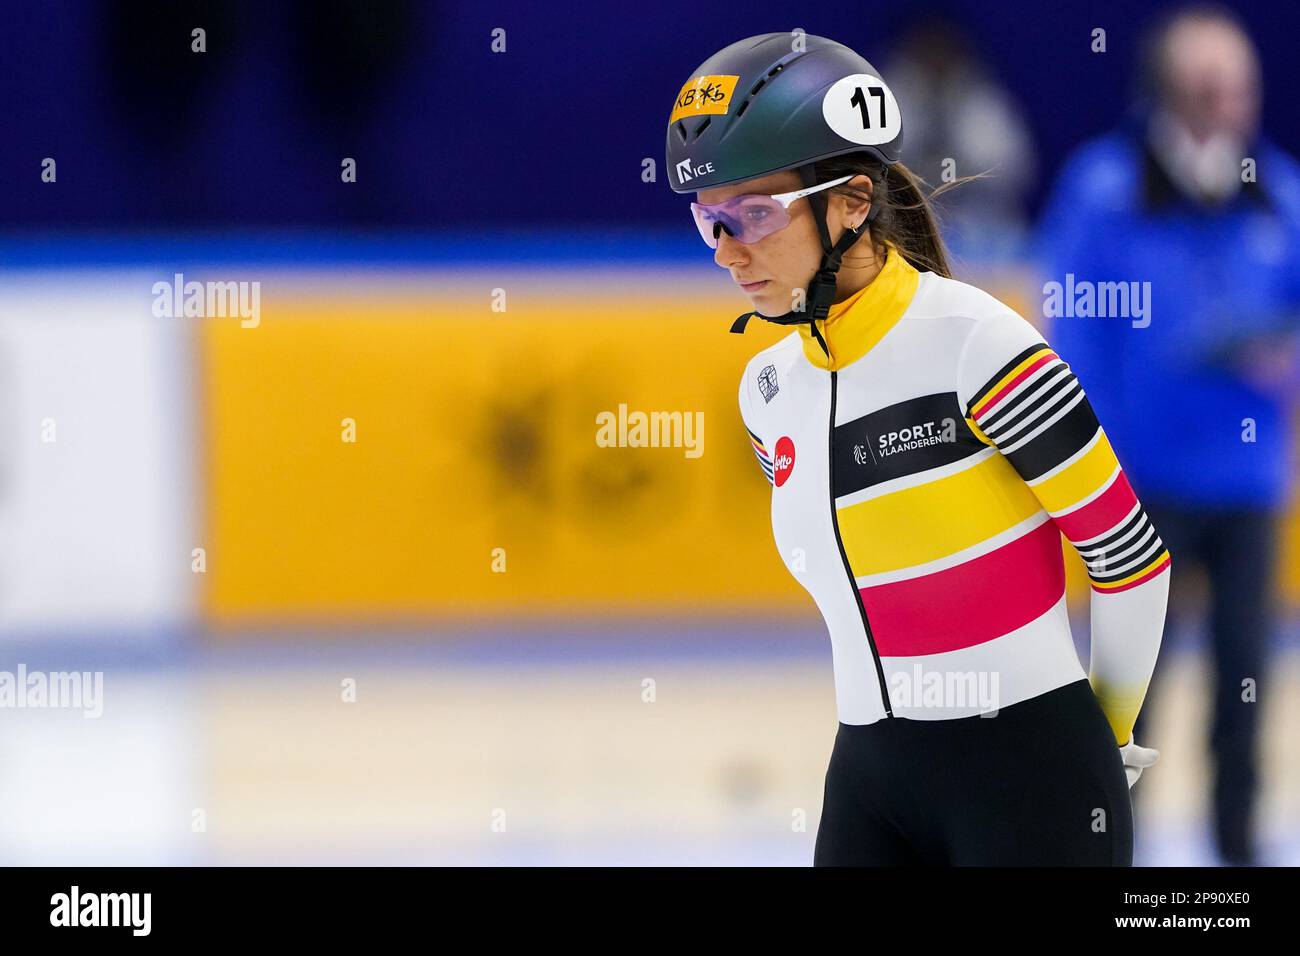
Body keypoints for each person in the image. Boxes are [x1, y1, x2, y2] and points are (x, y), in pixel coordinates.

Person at [665, 32, 1171, 865]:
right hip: (869, 783)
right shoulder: (768, 394)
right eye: (707, 221)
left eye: (752, 214)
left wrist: (1106, 743)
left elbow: (1129, 556)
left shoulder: (979, 345)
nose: (727, 250)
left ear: (852, 200)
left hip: (1035, 780)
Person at [1037, 6, 1300, 866]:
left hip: (1244, 483)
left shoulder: (1280, 194)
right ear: (1170, 91)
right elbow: (1066, 329)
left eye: (1243, 84)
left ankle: (1236, 852)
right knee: (1125, 695)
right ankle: (1110, 855)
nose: (1234, 102)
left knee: (1244, 685)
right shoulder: (1103, 190)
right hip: (1135, 488)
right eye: (1212, 85)